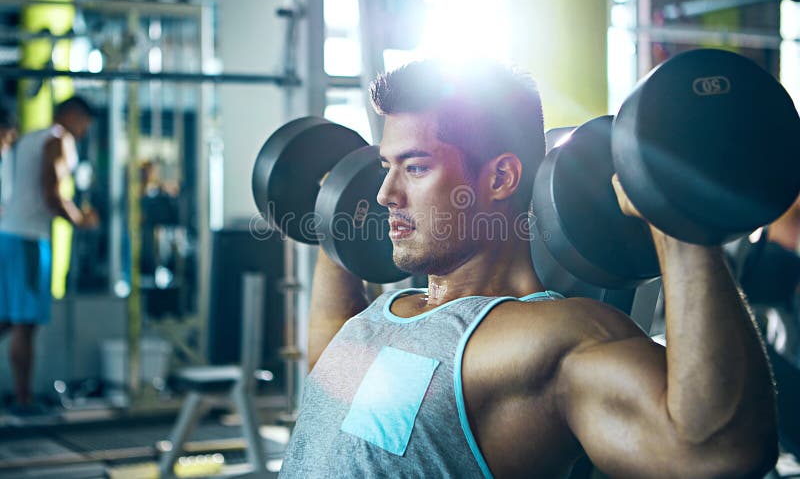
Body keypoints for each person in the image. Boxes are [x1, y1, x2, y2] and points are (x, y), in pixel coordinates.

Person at [278, 60, 778, 478]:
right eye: (385, 166)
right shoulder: (382, 318)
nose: (385, 194)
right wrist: (332, 211)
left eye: (415, 167)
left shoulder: (548, 339)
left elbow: (717, 450)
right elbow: (329, 377)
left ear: (500, 178)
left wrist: (673, 213)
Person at [0, 95, 98, 414]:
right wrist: (80, 220)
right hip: (29, 239)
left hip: (10, 235)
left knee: (6, 320)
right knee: (24, 324)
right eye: (84, 123)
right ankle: (23, 400)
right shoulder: (58, 140)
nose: (83, 131)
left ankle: (21, 398)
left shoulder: (29, 139)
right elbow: (52, 192)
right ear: (72, 115)